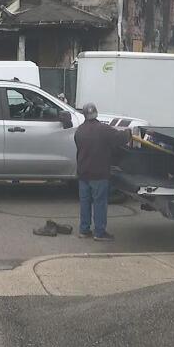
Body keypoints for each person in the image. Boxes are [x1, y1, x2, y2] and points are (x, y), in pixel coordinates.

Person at [73, 103, 130, 242]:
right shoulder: (104, 129)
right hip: (98, 173)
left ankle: (84, 230)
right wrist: (129, 132)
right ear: (96, 114)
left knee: (85, 203)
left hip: (83, 173)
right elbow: (121, 139)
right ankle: (99, 232)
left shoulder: (79, 131)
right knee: (99, 203)